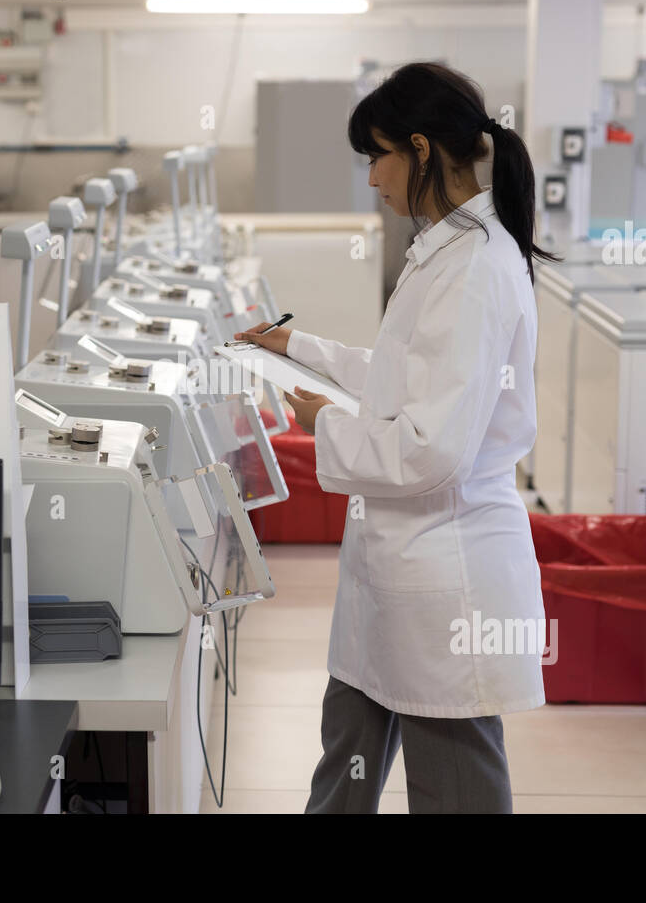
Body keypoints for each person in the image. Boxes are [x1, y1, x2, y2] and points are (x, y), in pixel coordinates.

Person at [235, 61, 556, 813]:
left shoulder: (476, 266)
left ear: (419, 148)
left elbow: (432, 447)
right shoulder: (448, 249)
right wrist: (298, 349)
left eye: (376, 156)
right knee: (345, 757)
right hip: (398, 568)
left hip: (447, 576)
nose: (373, 179)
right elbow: (407, 371)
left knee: (455, 789)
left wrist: (326, 425)